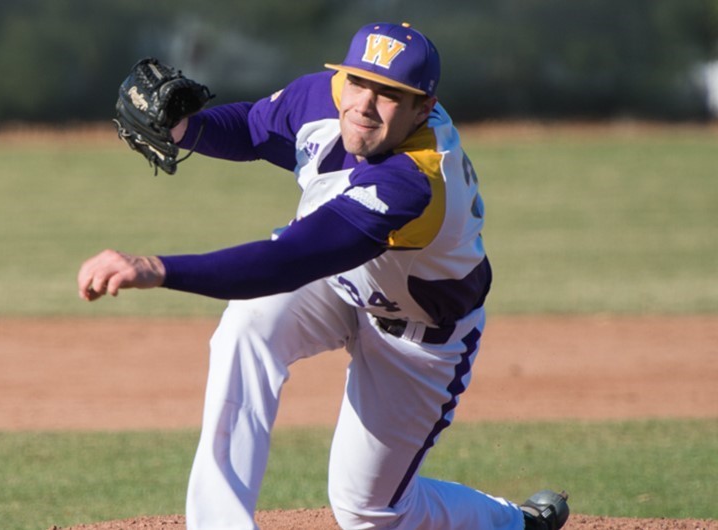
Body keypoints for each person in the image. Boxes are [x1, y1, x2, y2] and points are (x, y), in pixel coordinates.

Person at [78, 21, 569, 530]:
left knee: (368, 512)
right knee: (245, 330)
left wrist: (157, 269)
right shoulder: (329, 94)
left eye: (389, 94)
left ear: (423, 107)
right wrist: (186, 127)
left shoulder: (416, 180)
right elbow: (255, 128)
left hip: (417, 335)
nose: (362, 103)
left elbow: (287, 263)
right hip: (337, 281)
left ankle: (516, 524)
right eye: (358, 81)